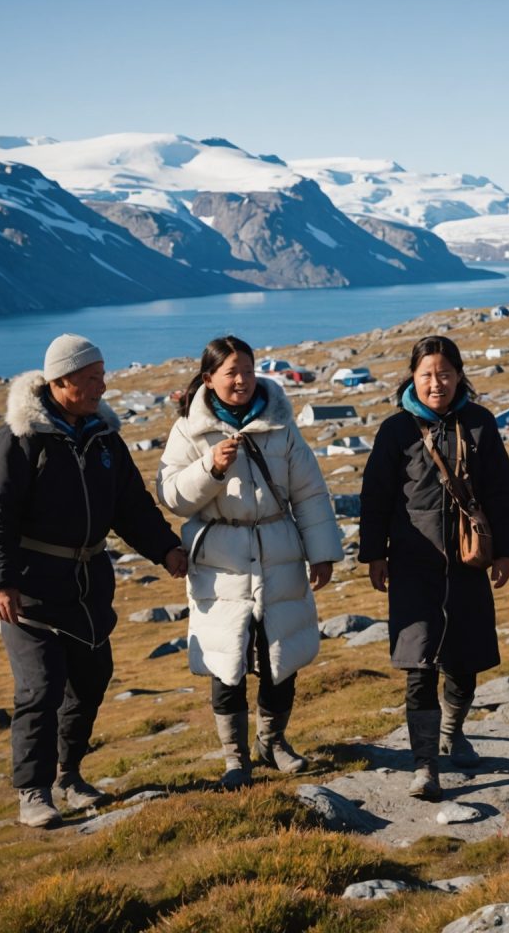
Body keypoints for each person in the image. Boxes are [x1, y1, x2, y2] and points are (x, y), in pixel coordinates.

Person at [0, 334, 188, 829]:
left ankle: (69, 774)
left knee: (90, 683)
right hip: (31, 591)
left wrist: (166, 550)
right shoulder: (17, 441)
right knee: (40, 689)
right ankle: (33, 791)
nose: (101, 386)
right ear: (60, 381)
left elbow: (130, 507)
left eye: (102, 376)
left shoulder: (103, 437)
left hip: (88, 591)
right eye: (92, 379)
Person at [157, 336, 342, 788]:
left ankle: (274, 742)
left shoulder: (280, 424)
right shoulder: (189, 430)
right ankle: (234, 757)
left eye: (248, 370)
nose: (241, 380)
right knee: (227, 663)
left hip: (278, 551)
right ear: (209, 380)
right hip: (222, 560)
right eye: (230, 373)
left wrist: (322, 553)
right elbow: (173, 496)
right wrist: (211, 469)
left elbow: (309, 491)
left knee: (281, 656)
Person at [359, 335, 509, 801]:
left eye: (445, 373)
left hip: (469, 564)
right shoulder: (396, 431)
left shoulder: (481, 425)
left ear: (459, 376)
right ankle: (425, 764)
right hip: (414, 565)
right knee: (419, 664)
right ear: (413, 376)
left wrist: (507, 551)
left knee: (464, 661)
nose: (437, 383)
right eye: (427, 374)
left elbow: (500, 494)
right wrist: (375, 554)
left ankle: (453, 729)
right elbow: (375, 496)